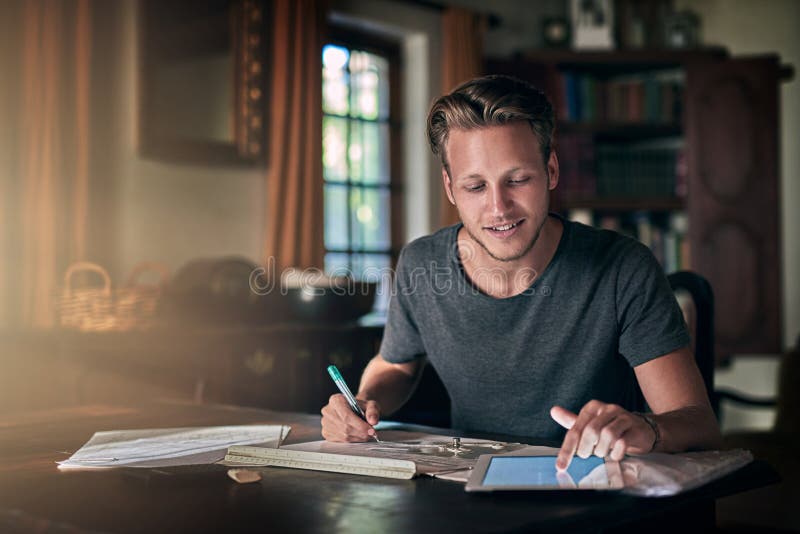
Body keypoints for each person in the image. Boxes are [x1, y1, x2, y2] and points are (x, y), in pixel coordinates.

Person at [321, 74, 721, 469]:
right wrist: (361, 403)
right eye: (475, 187)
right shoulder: (420, 264)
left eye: (517, 180)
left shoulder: (623, 267)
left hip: (592, 492)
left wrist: (647, 429)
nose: (499, 208)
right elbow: (394, 364)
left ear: (550, 171)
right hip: (468, 491)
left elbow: (697, 422)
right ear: (449, 188)